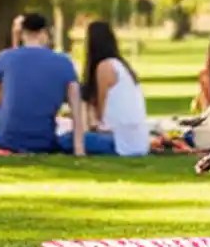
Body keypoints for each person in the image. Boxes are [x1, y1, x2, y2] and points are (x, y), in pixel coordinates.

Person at [0, 13, 85, 155]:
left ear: (23, 34)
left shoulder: (6, 57)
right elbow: (76, 107)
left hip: (7, 142)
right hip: (45, 141)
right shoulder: (64, 62)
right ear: (45, 33)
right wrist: (79, 148)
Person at [60, 21, 149, 156]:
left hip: (119, 142)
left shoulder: (105, 67)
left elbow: (100, 115)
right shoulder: (121, 66)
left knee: (64, 140)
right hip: (139, 142)